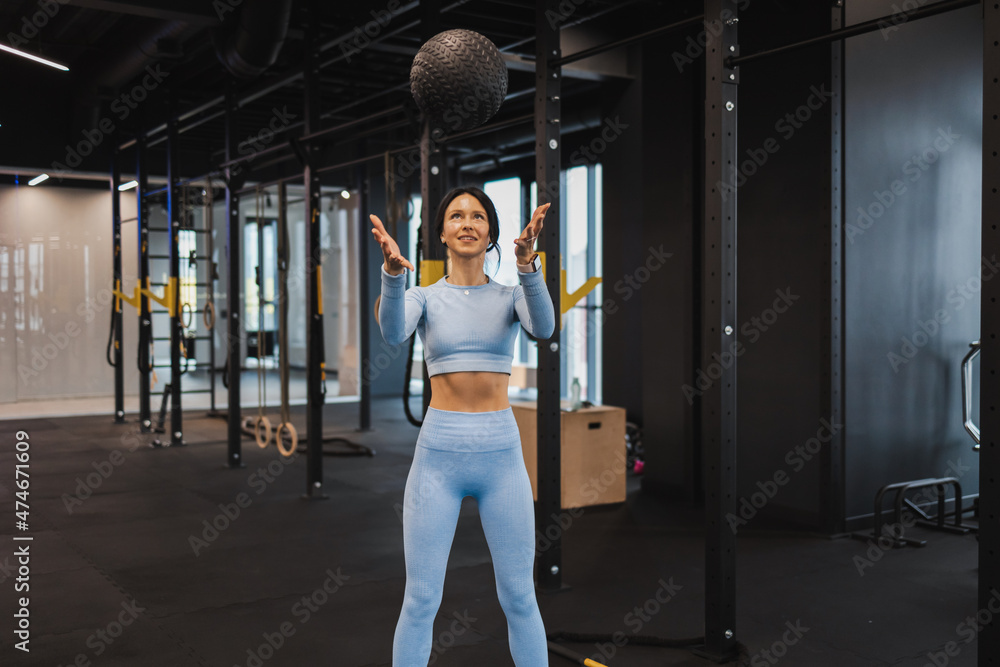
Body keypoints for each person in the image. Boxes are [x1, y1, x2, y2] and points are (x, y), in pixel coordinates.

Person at [370, 185, 555, 666]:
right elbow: (392, 331)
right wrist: (391, 275)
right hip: (439, 458)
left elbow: (544, 327)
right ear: (442, 233)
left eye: (477, 216)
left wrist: (528, 264)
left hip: (501, 457)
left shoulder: (511, 295)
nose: (467, 223)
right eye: (456, 216)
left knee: (519, 597)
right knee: (421, 599)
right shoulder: (422, 296)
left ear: (490, 230)